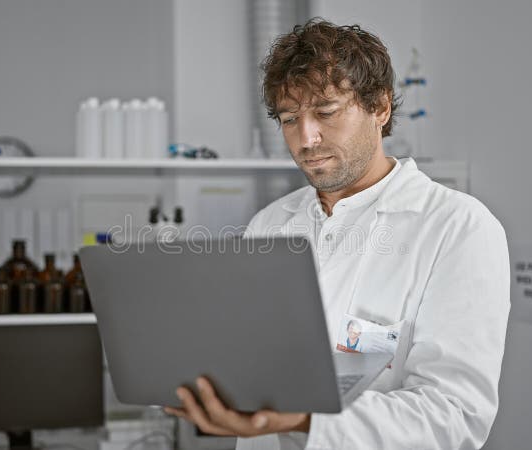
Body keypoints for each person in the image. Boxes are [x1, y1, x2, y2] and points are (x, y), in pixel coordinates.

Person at [164, 18, 510, 449]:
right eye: (290, 119)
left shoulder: (458, 228)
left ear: (380, 108)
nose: (306, 138)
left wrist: (306, 418)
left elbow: (454, 417)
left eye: (326, 112)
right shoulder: (269, 224)